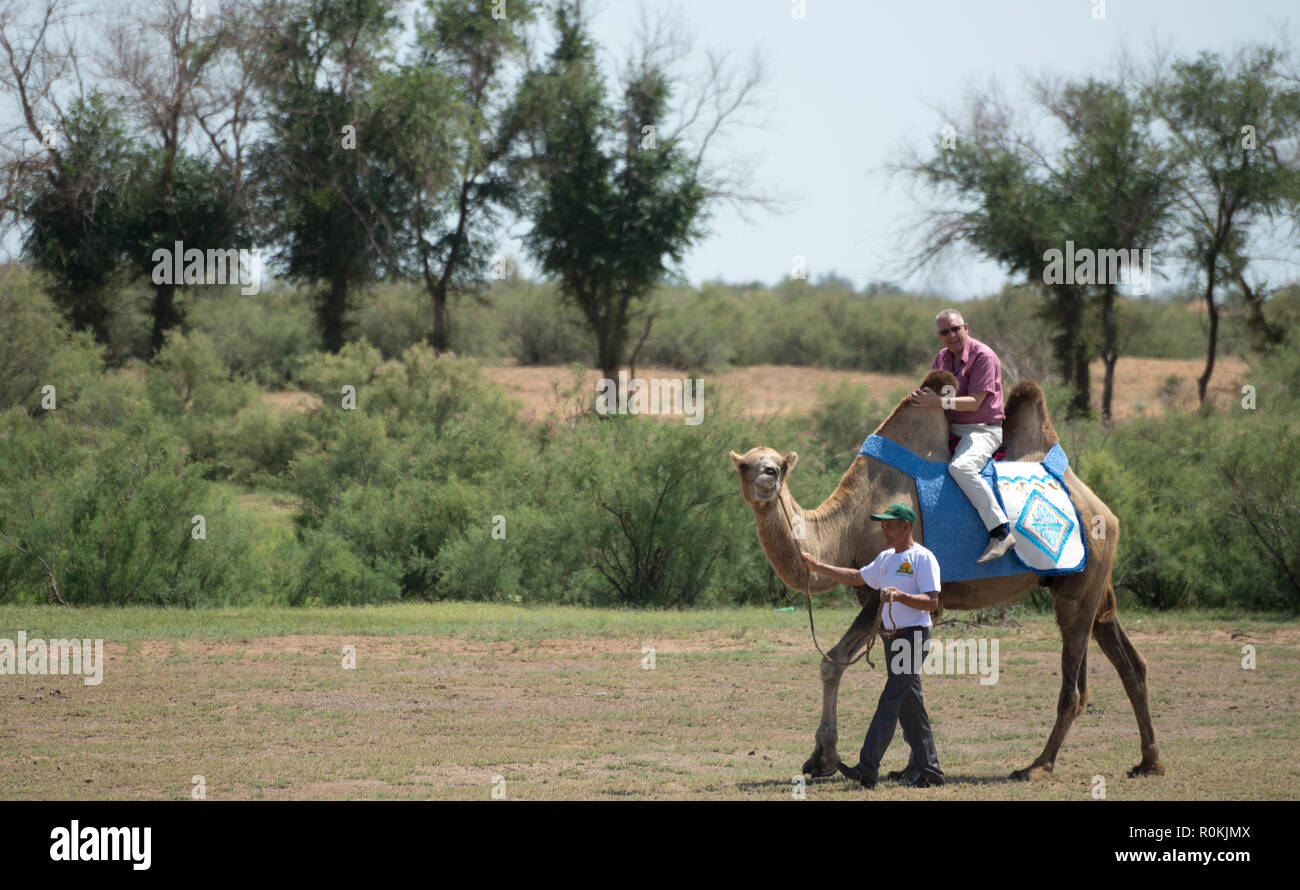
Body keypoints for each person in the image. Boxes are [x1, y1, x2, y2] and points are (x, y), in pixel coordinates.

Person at [799, 503, 944, 789]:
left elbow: (932, 602)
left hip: (913, 638)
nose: (884, 530)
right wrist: (817, 567)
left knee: (890, 701)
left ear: (906, 526)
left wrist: (901, 596)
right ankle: (931, 771)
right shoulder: (886, 559)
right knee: (909, 707)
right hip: (892, 639)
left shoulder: (923, 558)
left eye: (889, 525)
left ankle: (867, 768)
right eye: (882, 525)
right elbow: (856, 577)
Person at [909, 309, 1015, 564]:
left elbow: (974, 402)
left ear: (966, 327)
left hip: (983, 429)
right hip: (953, 428)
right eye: (945, 332)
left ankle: (1000, 531)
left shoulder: (984, 356)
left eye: (955, 329)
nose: (951, 335)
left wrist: (937, 402)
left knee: (961, 468)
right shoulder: (942, 359)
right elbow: (937, 394)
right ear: (939, 336)